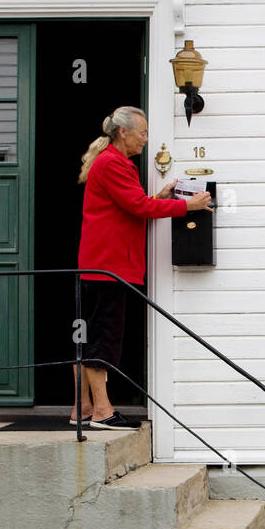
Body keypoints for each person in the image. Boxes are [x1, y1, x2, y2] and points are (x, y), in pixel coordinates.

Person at [73, 105, 212, 429]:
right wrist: (185, 205)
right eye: (144, 132)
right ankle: (102, 412)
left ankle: (82, 408)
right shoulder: (114, 163)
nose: (147, 139)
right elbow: (139, 207)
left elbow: (131, 205)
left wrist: (160, 196)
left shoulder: (112, 162)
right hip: (108, 266)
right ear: (124, 132)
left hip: (100, 265)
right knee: (103, 338)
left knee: (90, 335)